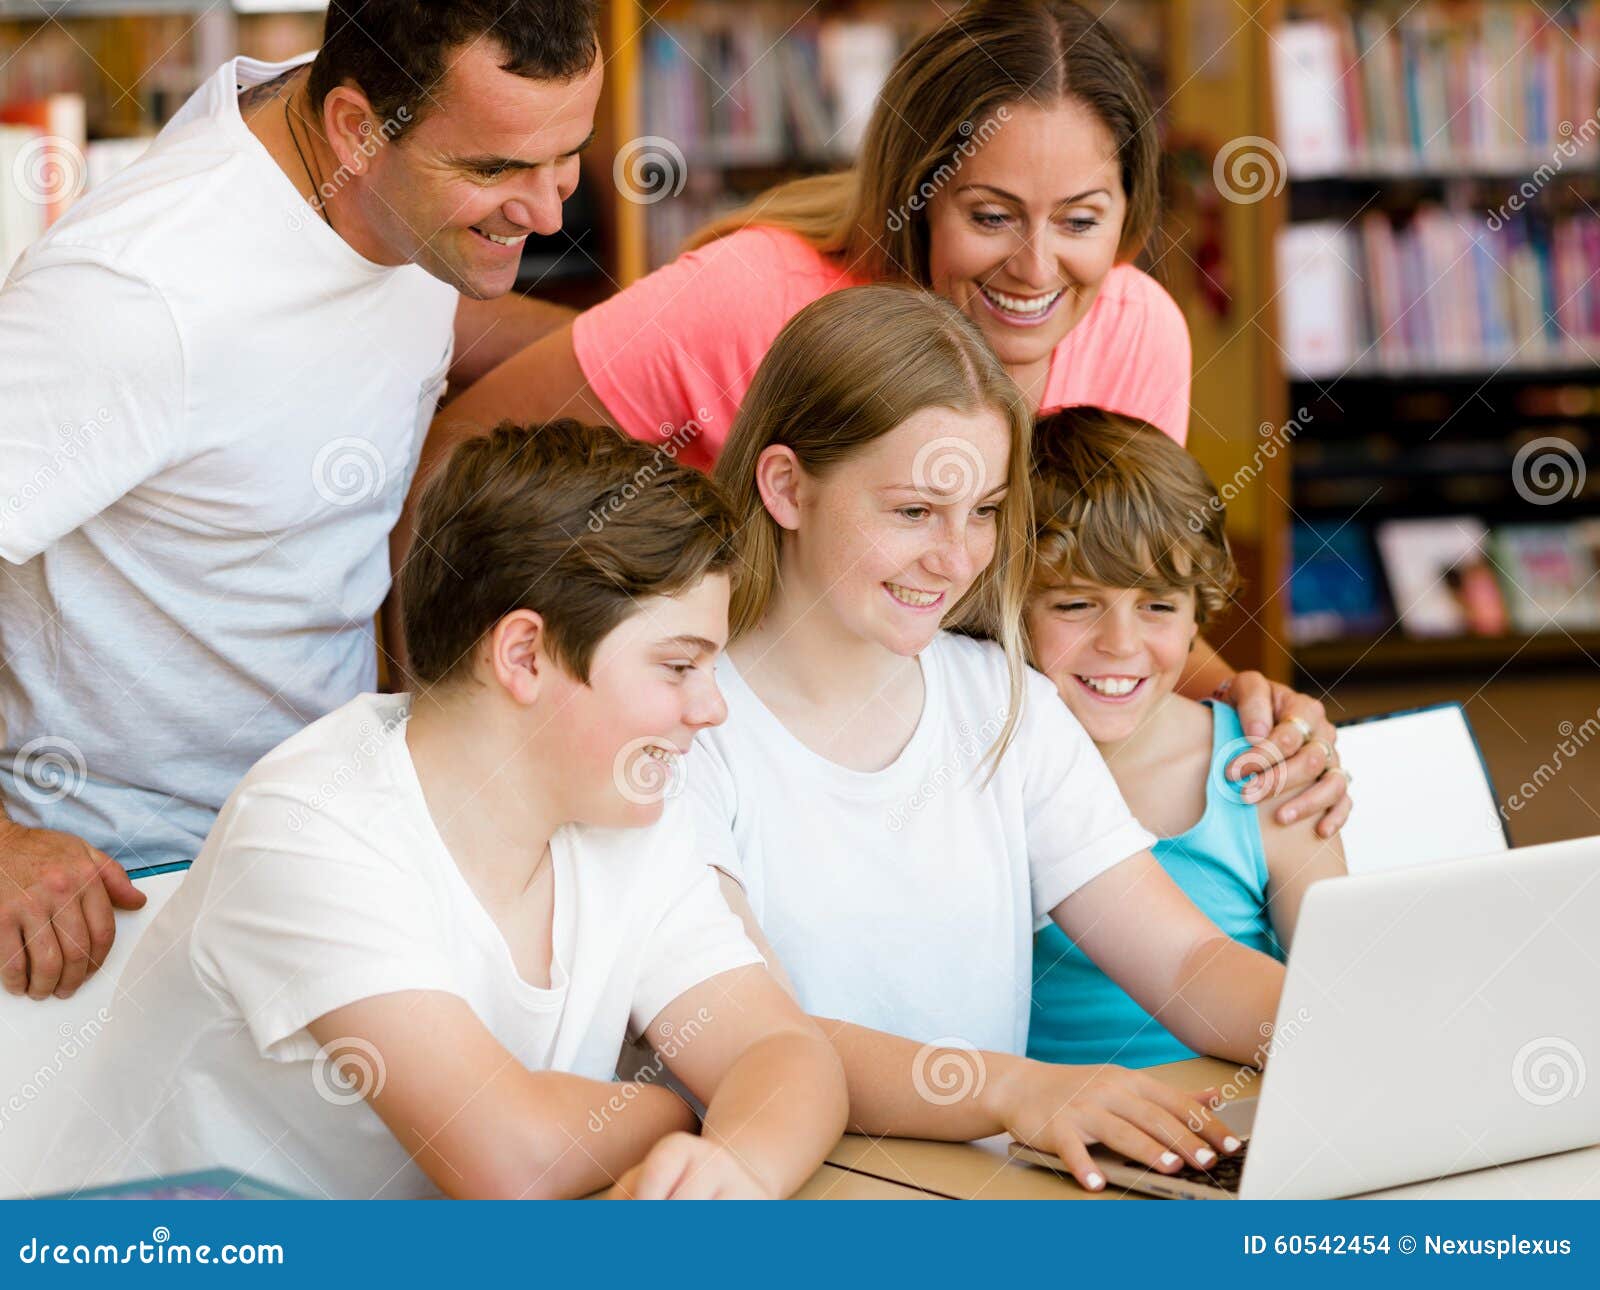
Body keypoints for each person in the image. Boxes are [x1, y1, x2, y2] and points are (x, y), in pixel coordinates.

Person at [416, 0, 1349, 841]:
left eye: (1080, 221)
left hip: (956, 778)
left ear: (1131, 217)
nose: (1034, 268)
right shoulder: (752, 298)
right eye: (990, 216)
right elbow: (467, 452)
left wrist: (1239, 698)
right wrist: (459, 732)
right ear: (917, 196)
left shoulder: (1136, 326)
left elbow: (1109, 606)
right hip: (738, 757)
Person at [46, 421, 847, 1201]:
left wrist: (736, 1167)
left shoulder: (629, 805)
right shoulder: (312, 824)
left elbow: (783, 1052)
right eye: (678, 666)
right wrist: (680, 1108)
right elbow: (509, 1161)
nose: (711, 710)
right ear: (524, 656)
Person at [0, 0, 599, 999]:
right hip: (120, 899)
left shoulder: (402, 185)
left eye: (566, 157)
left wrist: (686, 347)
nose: (544, 214)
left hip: (323, 846)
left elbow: (430, 321)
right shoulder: (133, 295)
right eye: (495, 171)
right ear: (356, 129)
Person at [688, 285, 1281, 1193]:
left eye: (986, 510)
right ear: (786, 487)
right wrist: (1015, 1090)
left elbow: (1184, 959)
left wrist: (1362, 1025)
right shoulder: (685, 724)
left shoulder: (1005, 701)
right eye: (915, 512)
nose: (960, 558)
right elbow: (767, 1039)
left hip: (989, 1200)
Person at [1022, 409, 1347, 1070]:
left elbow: (1340, 994)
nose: (1119, 643)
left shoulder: (1264, 777)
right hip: (1043, 1144)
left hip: (1246, 1116)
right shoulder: (984, 772)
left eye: (1159, 605)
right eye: (1075, 603)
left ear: (1201, 609)